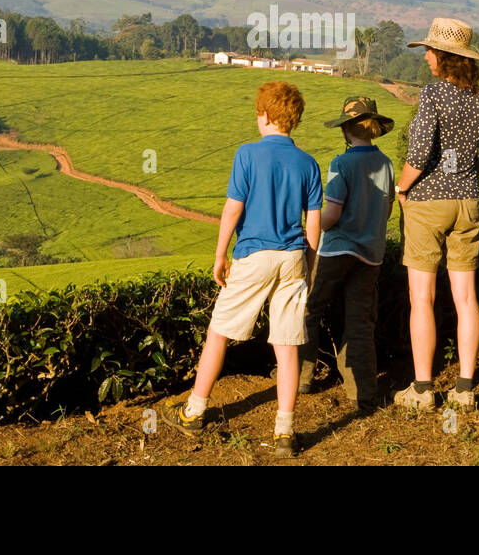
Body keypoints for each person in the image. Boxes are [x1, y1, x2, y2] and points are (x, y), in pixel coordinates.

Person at [160, 80, 322, 457]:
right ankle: (285, 432)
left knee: (218, 332)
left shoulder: (247, 155)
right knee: (287, 347)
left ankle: (194, 412)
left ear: (264, 115)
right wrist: (309, 266)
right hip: (294, 257)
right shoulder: (309, 163)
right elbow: (313, 225)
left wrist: (220, 255)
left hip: (254, 255)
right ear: (293, 120)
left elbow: (233, 209)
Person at [394, 17, 479, 414]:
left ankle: (423, 390)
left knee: (421, 297)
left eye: (430, 51)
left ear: (444, 57)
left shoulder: (433, 95)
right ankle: (465, 388)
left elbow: (419, 154)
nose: (425, 57)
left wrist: (402, 188)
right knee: (466, 298)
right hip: (467, 201)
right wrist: (461, 172)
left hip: (428, 203)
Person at [299, 95, 396, 414]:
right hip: (371, 254)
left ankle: (301, 377)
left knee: (309, 309)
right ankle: (363, 393)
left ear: (346, 129)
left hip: (337, 250)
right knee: (359, 321)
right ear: (374, 127)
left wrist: (307, 225)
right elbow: (388, 207)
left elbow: (332, 215)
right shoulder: (385, 163)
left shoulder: (341, 164)